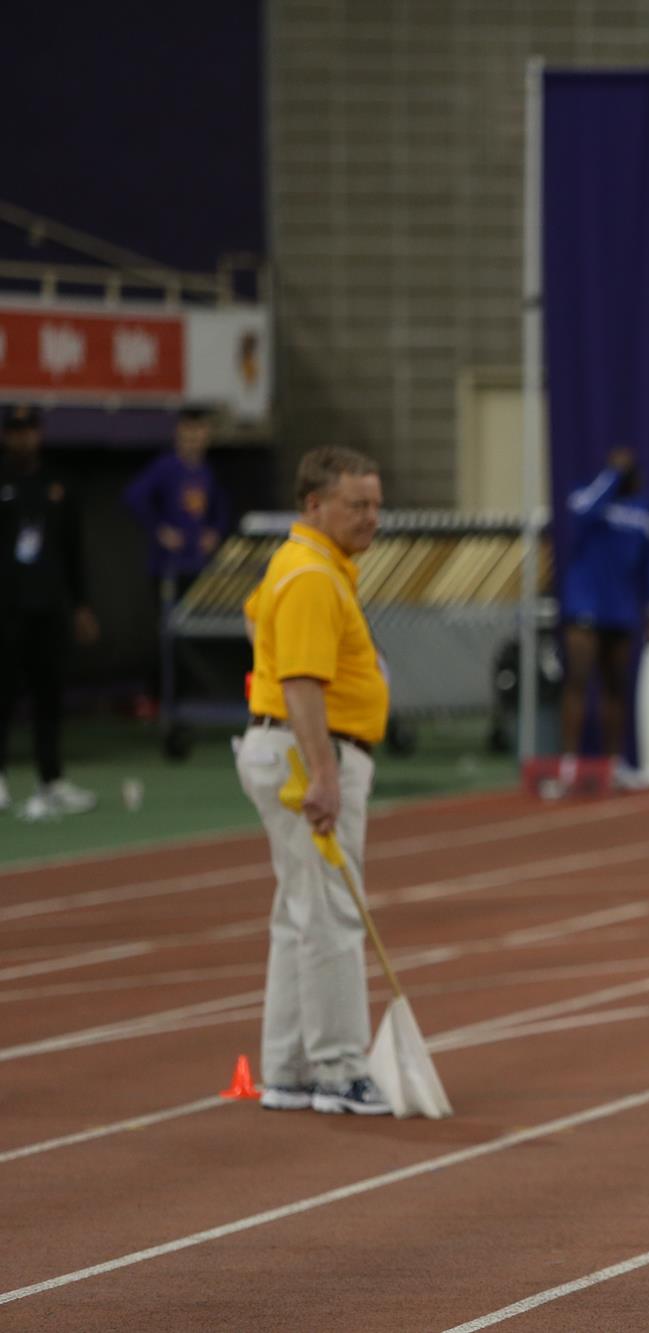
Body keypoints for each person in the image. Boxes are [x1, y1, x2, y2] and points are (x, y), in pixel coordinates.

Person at [236, 446, 393, 1116]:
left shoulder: (312, 566)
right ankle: (338, 1068)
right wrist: (324, 773)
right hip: (309, 753)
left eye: (376, 504)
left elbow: (253, 616)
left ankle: (289, 1067)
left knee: (299, 911)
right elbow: (301, 680)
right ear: (314, 505)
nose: (371, 518)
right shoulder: (309, 574)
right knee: (330, 912)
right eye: (356, 505)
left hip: (292, 746)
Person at [0, 405, 99, 821]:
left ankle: (51, 780)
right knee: (2, 695)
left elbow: (74, 551)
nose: (23, 439)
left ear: (39, 434)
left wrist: (80, 605)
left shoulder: (59, 484)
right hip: (6, 609)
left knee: (49, 696)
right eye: (15, 431)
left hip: (49, 609)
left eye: (29, 431)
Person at [558, 447, 649, 789]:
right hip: (585, 603)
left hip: (622, 606)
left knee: (615, 686)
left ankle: (614, 764)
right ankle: (569, 766)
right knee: (578, 681)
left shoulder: (645, 511)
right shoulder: (588, 494)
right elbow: (581, 513)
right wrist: (612, 474)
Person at [123, 406, 230, 703]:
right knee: (168, 636)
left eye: (199, 432)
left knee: (192, 638)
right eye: (188, 432)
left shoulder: (207, 471)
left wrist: (214, 532)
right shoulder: (165, 467)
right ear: (178, 434)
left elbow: (220, 511)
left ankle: (185, 697)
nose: (194, 439)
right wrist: (160, 529)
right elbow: (133, 497)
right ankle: (161, 698)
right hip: (167, 568)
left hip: (198, 568)